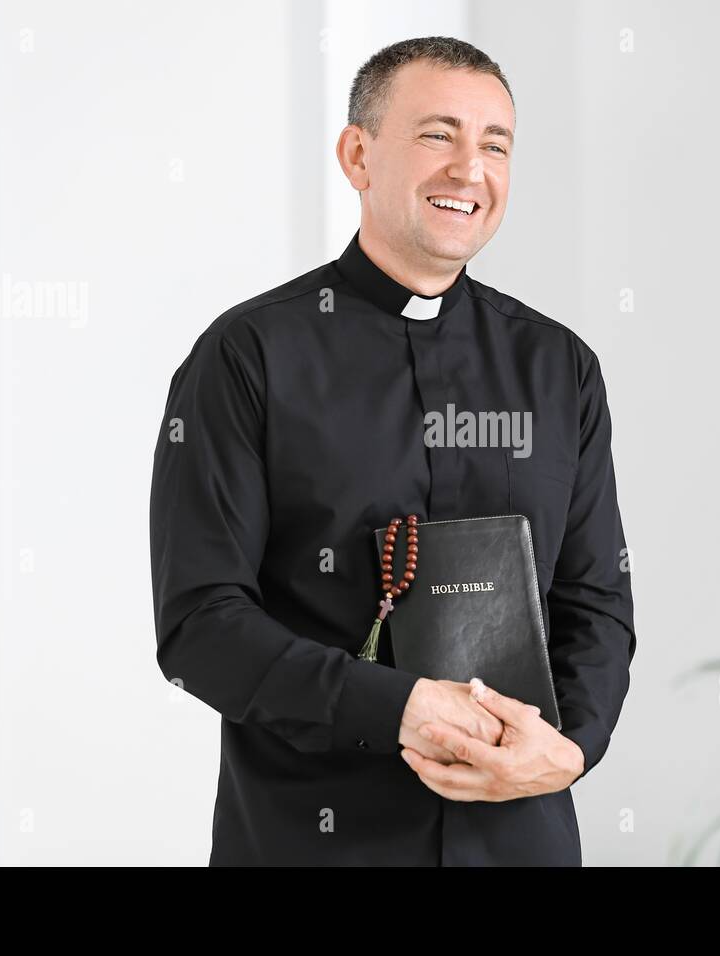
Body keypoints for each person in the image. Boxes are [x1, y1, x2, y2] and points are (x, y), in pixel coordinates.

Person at [149, 35, 636, 865]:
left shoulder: (561, 368)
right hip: (312, 840)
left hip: (519, 840)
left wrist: (575, 746)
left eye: (495, 145)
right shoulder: (247, 357)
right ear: (358, 154)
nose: (469, 169)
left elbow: (595, 603)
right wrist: (399, 707)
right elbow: (201, 625)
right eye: (437, 135)